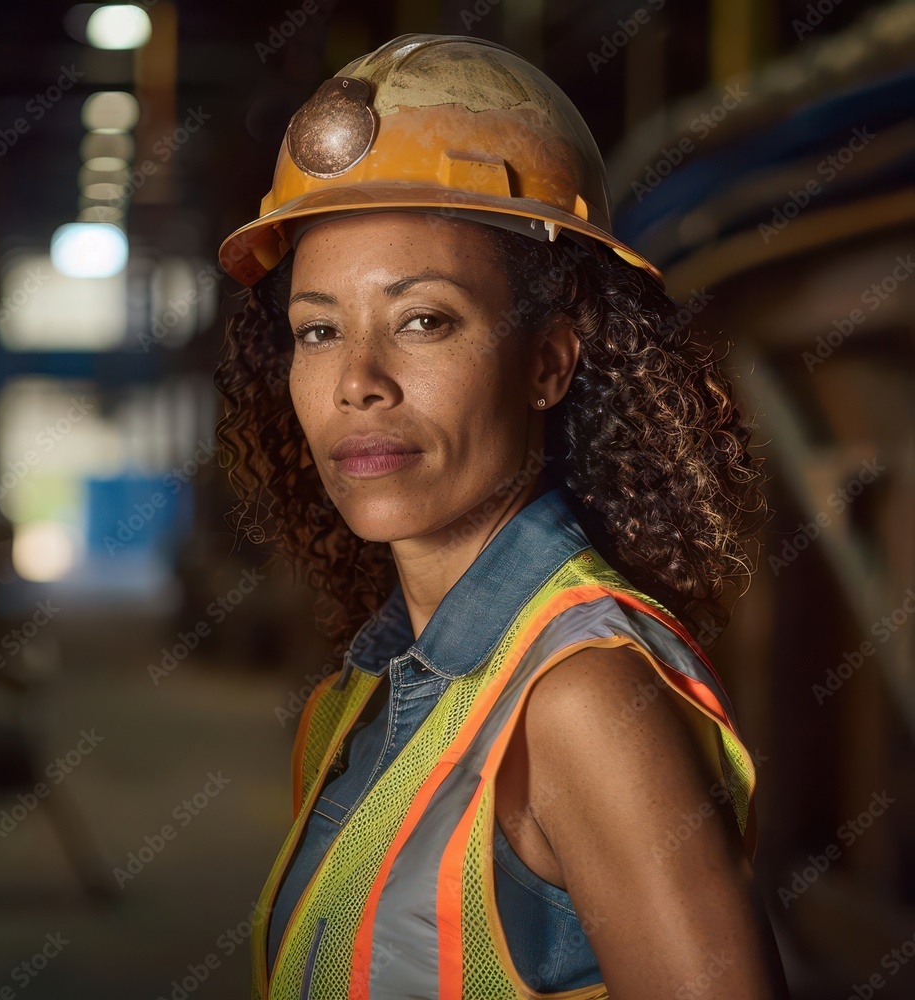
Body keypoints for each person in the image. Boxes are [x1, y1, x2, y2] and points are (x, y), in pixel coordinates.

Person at [215, 32, 789, 1000]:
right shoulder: (359, 699)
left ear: (547, 364)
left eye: (423, 320)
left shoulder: (582, 701)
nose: (358, 382)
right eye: (319, 330)